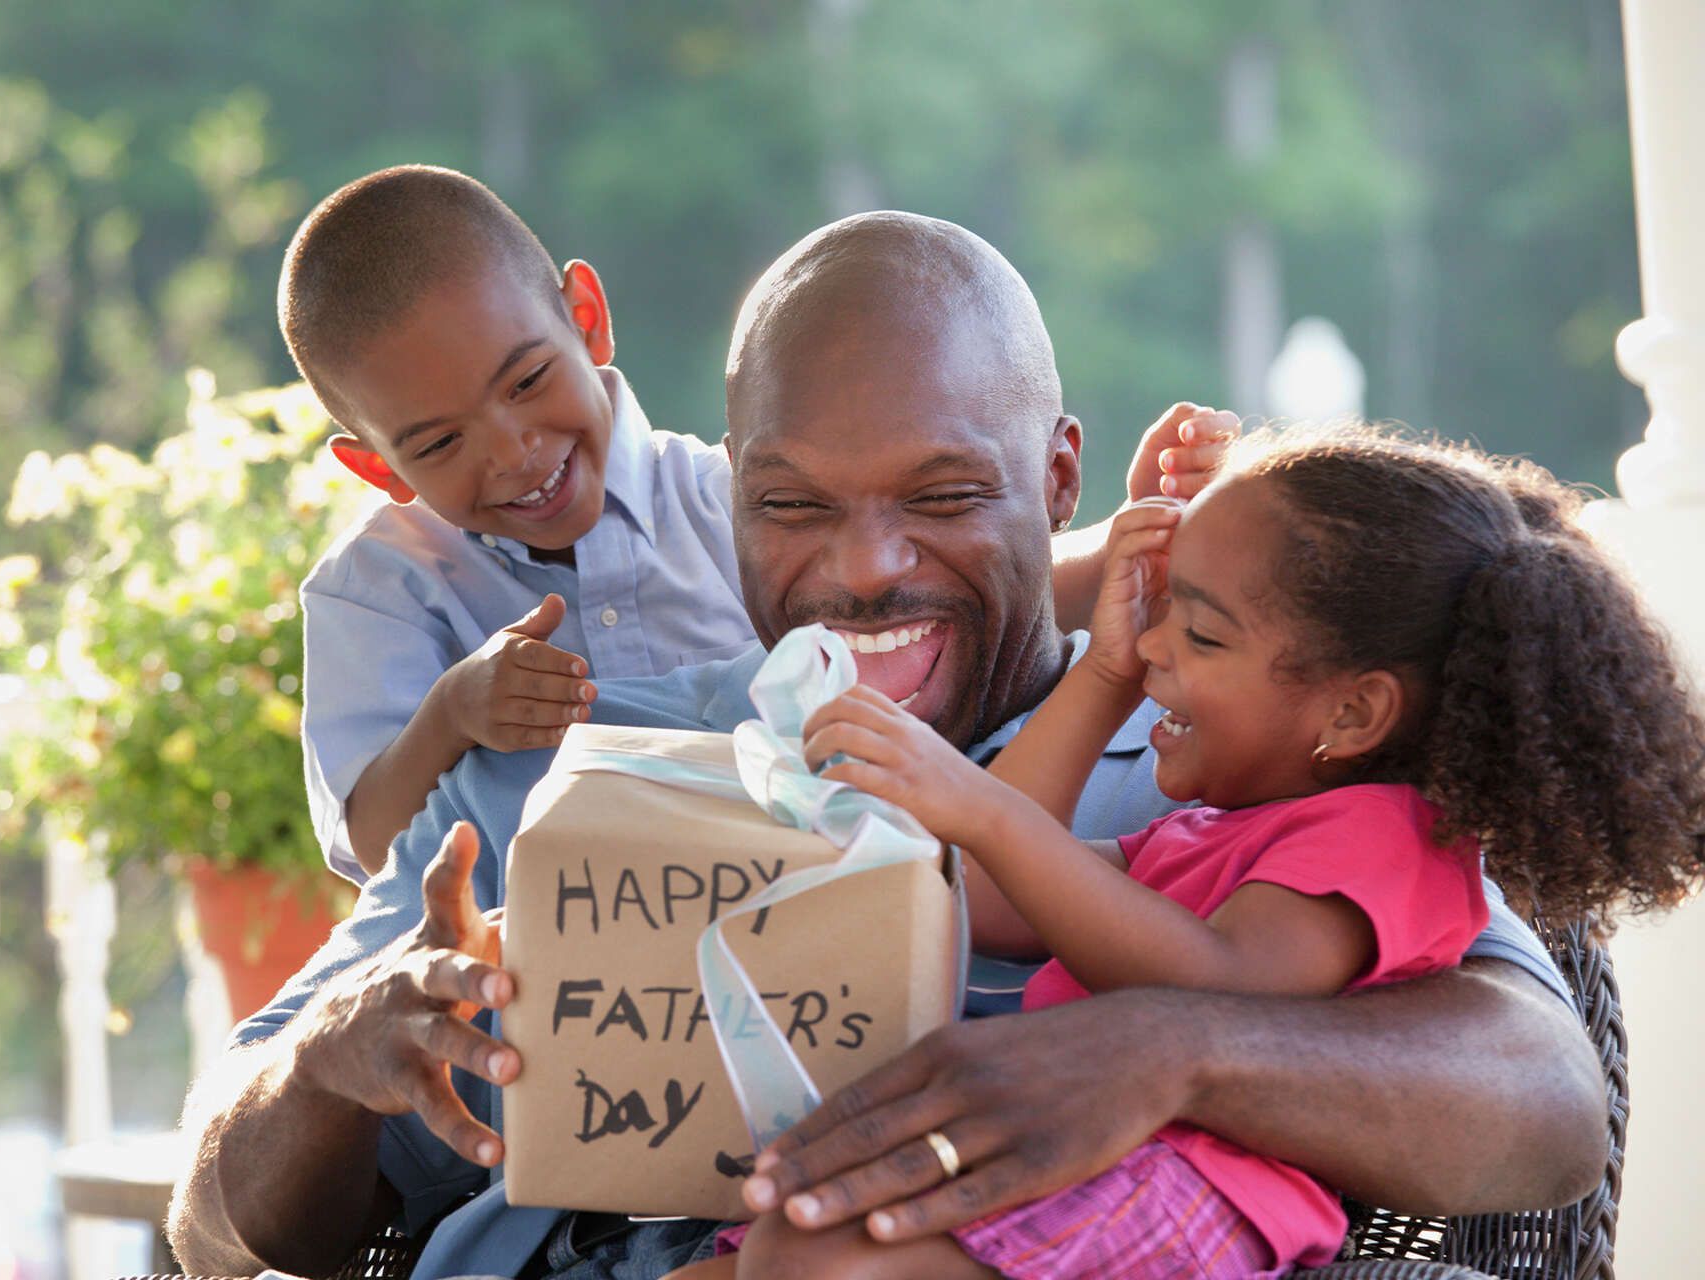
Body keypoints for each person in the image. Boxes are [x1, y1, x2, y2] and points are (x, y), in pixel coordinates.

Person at [167, 213, 1612, 1280]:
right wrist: (337, 1066)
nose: (866, 569)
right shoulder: (560, 764)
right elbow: (215, 1220)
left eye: (940, 494)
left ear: (1057, 481)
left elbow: (1545, 1105)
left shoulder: (1224, 773)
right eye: (792, 507)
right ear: (731, 500)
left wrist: (1170, 1049)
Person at [672, 426, 1705, 1279]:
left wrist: (981, 809)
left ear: (1351, 711)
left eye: (1200, 636)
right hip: (1102, 1163)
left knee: (823, 1257)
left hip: (1194, 1188)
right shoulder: (1212, 829)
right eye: (1161, 616)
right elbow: (996, 898)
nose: (1159, 642)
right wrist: (1109, 674)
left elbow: (1219, 985)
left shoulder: (1381, 840)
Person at [280, 165, 1232, 881]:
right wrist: (452, 717)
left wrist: (1147, 535)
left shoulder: (716, 496)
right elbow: (373, 853)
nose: (514, 452)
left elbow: (975, 591)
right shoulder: (386, 591)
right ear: (376, 468)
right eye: (440, 442)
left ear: (588, 317)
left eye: (528, 382)